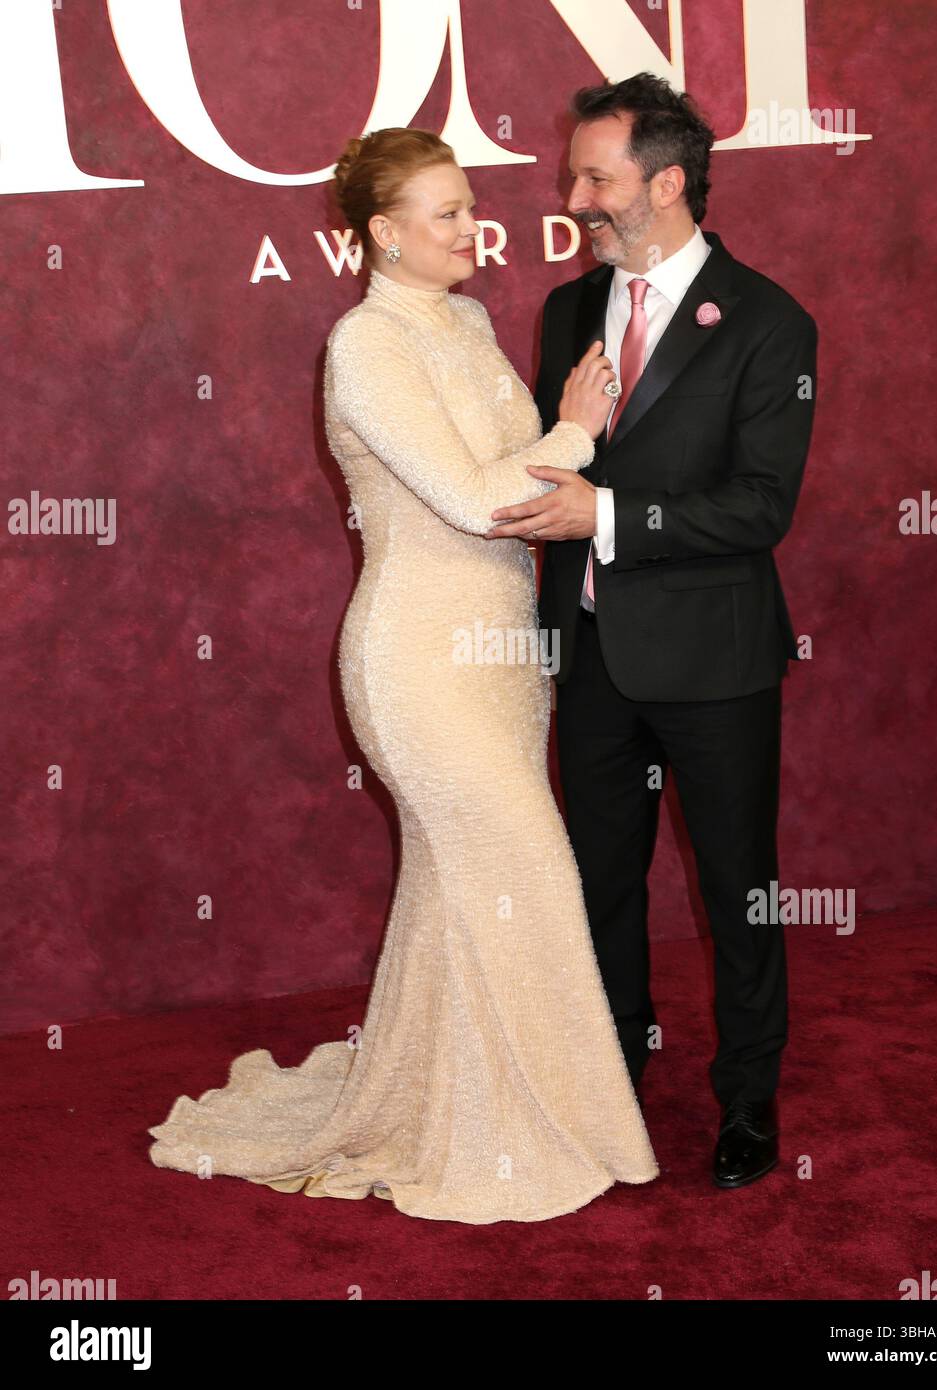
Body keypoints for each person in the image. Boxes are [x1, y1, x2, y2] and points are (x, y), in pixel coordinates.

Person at [147, 127, 659, 1224]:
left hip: (505, 658)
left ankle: (453, 1100)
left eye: (472, 204)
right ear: (383, 234)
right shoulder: (364, 346)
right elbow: (478, 499)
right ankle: (544, 1125)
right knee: (525, 868)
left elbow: (506, 475)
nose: (474, 226)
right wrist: (574, 429)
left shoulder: (467, 319)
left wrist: (566, 438)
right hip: (418, 660)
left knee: (458, 890)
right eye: (445, 213)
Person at [488, 75, 818, 1189]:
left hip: (714, 663)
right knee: (601, 884)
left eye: (594, 175)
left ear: (666, 183)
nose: (572, 191)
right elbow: (554, 456)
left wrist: (611, 516)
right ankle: (610, 1078)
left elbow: (762, 505)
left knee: (737, 886)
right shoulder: (567, 310)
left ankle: (747, 1104)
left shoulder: (770, 321)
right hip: (589, 659)